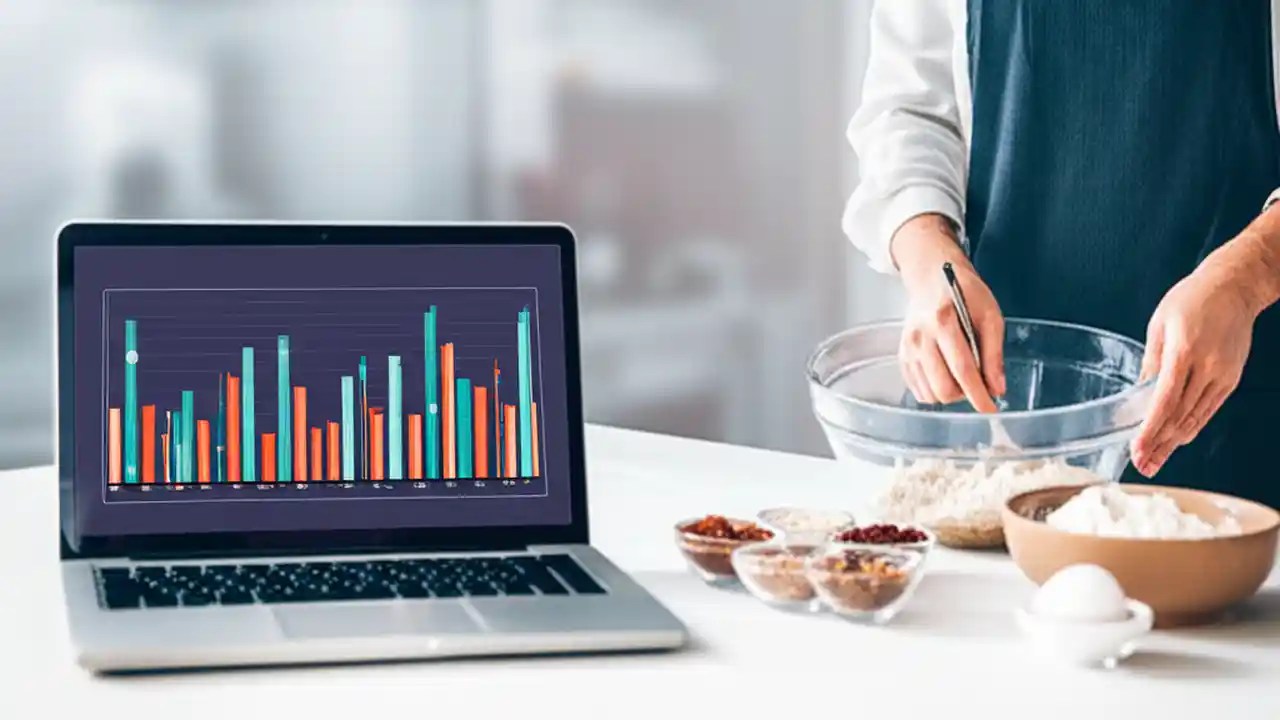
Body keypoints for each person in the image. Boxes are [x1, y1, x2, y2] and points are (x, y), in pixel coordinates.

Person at [845, 1, 1280, 509]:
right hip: (994, 419)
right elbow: (907, 110)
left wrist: (1247, 277)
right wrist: (929, 260)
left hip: (1234, 417)